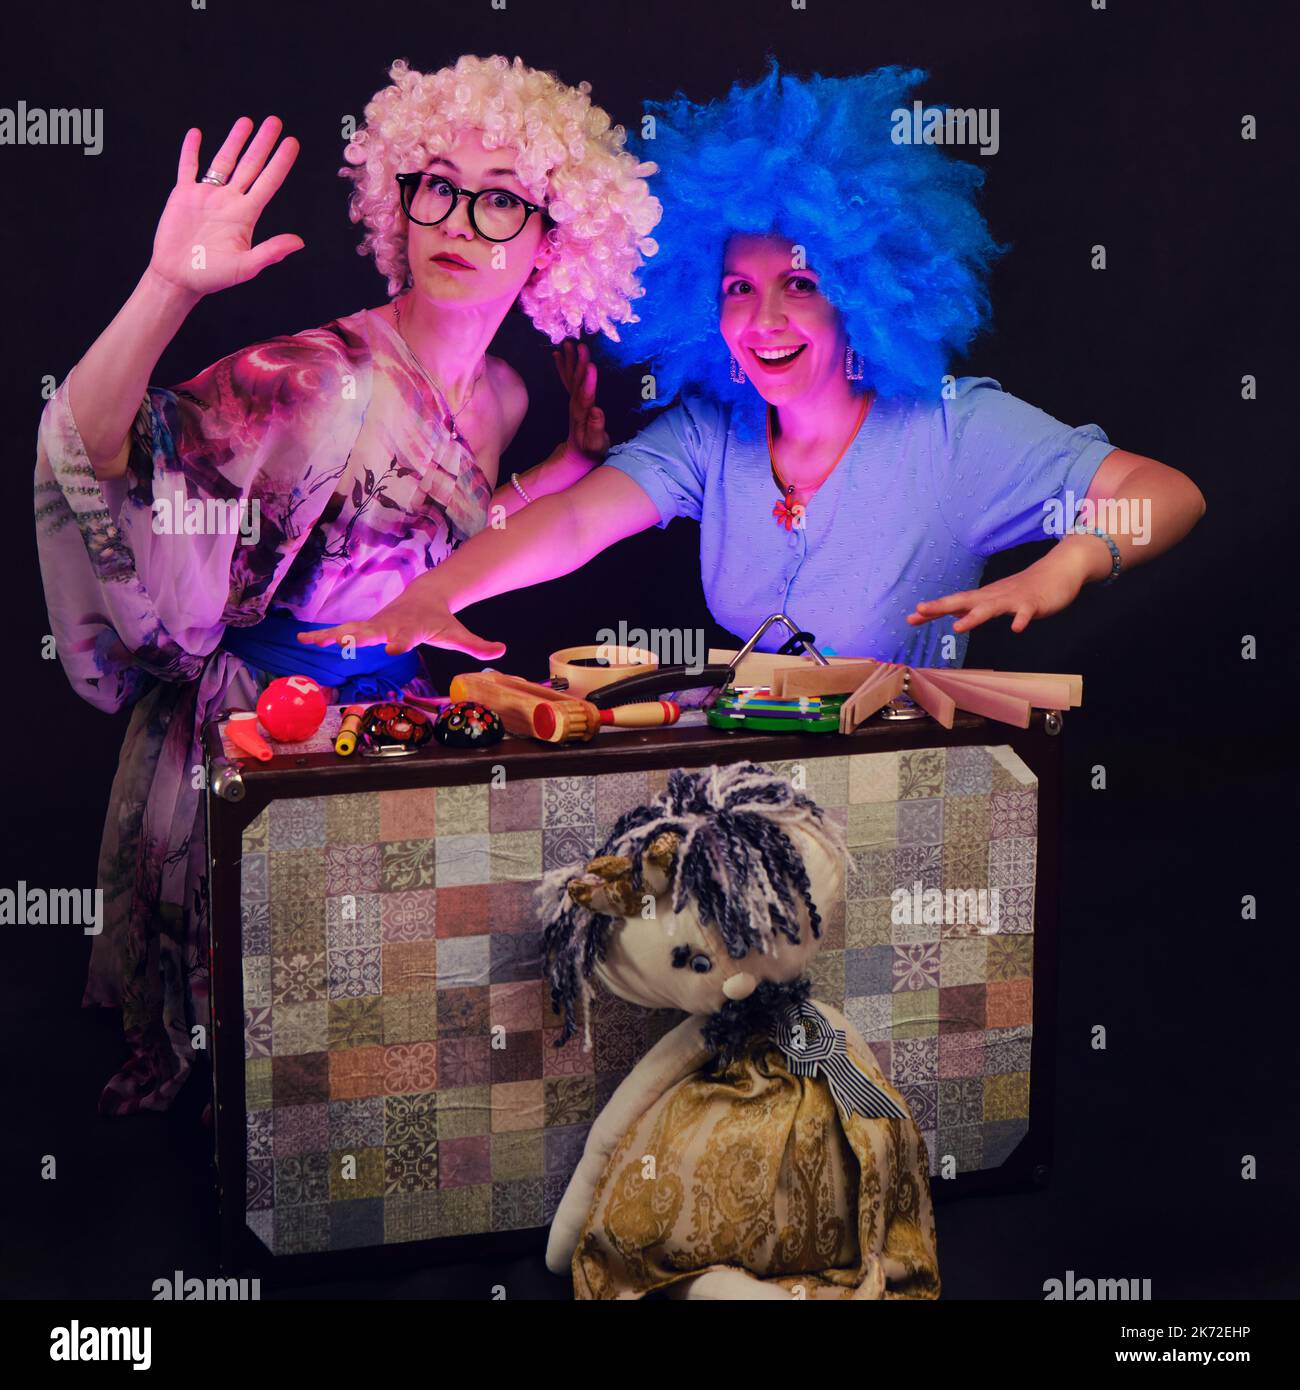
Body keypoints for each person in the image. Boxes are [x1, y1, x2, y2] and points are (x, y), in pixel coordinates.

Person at [34, 53, 660, 1116]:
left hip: (394, 732)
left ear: (553, 240)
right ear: (399, 206)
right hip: (260, 738)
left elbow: (434, 531)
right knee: (273, 1076)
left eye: (501, 196)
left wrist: (557, 474)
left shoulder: (504, 392)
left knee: (397, 1052)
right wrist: (168, 288)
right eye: (436, 184)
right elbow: (89, 457)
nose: (460, 219)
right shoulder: (321, 380)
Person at [300, 62, 1205, 675]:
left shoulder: (952, 431)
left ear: (862, 294)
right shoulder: (711, 435)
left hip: (912, 811)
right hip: (748, 812)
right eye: (737, 287)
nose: (763, 319)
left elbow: (1167, 490)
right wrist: (432, 595)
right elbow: (573, 524)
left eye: (800, 283)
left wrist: (1074, 561)